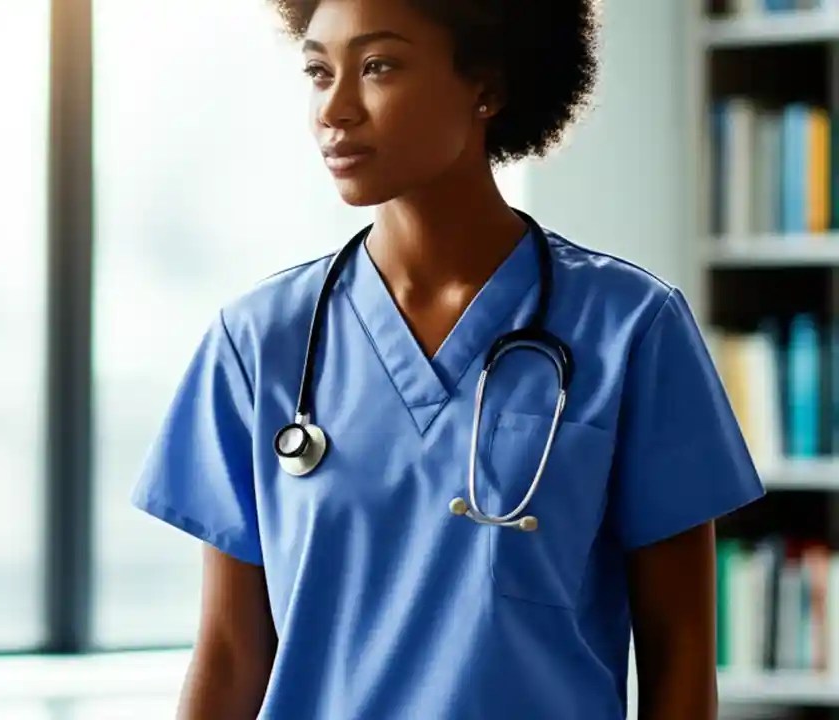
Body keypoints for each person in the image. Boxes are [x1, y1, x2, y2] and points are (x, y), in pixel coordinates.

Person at [129, 0, 765, 718]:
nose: (334, 109)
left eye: (378, 67)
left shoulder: (631, 328)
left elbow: (679, 649)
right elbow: (230, 654)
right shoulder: (257, 342)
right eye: (317, 71)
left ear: (486, 86)